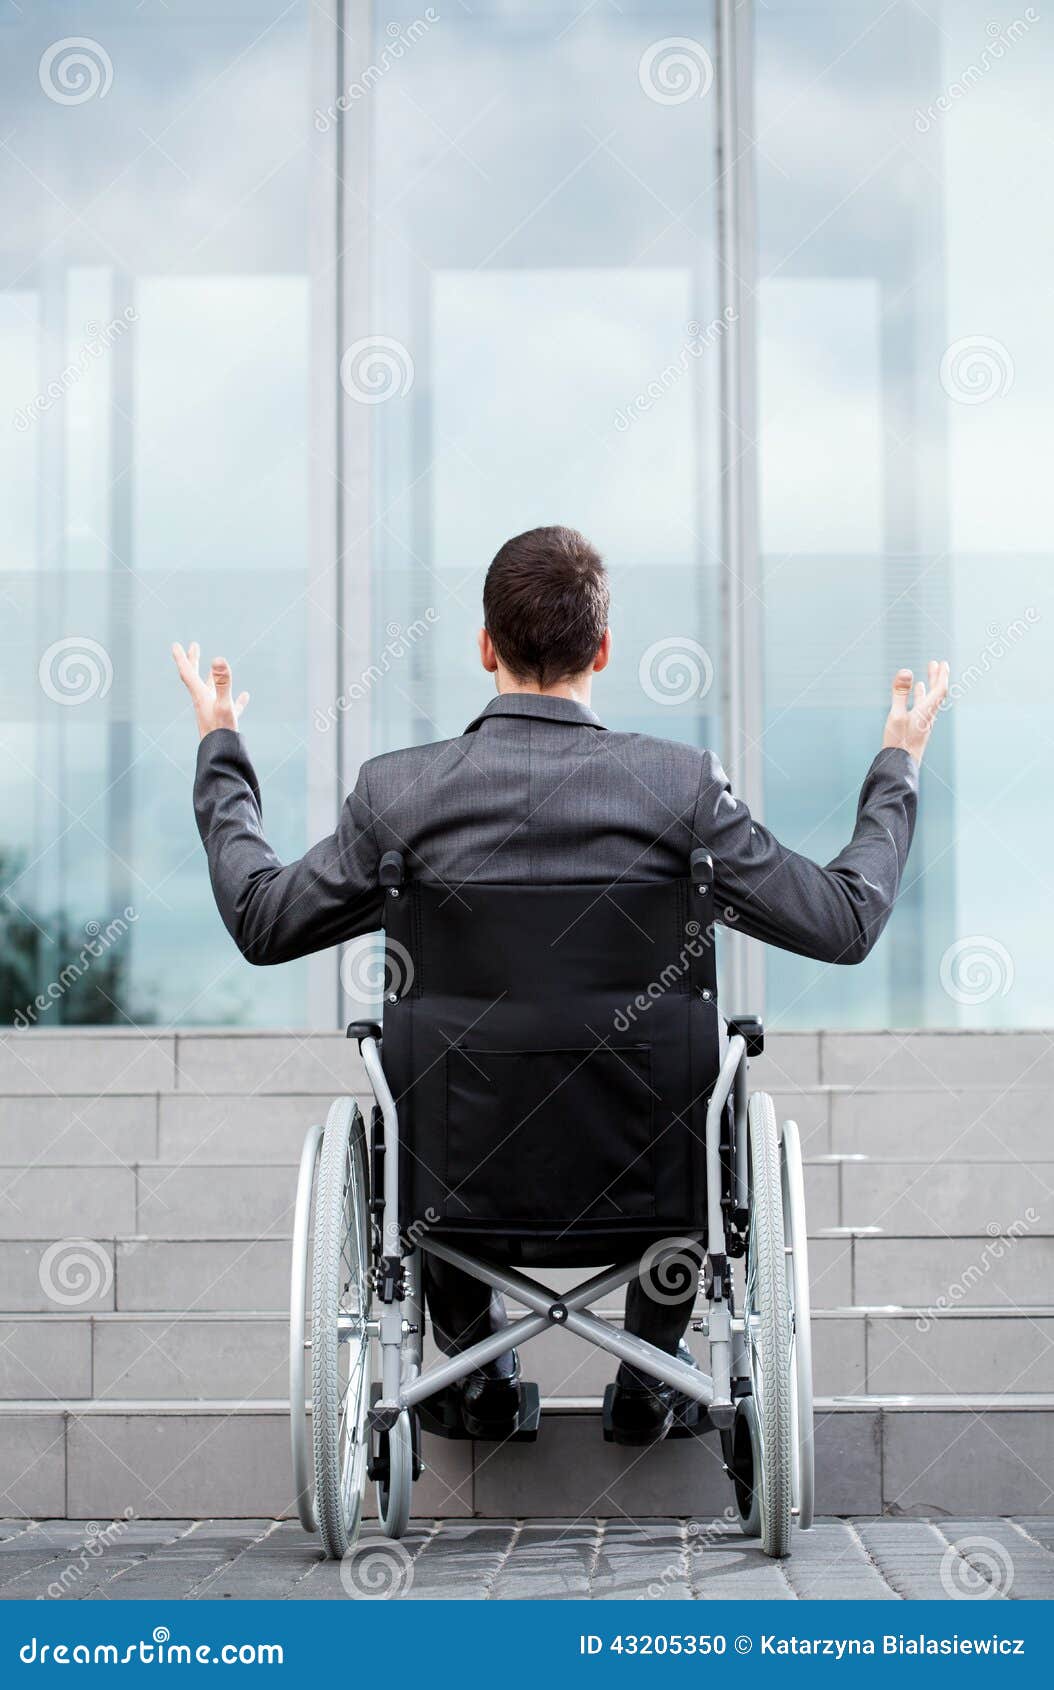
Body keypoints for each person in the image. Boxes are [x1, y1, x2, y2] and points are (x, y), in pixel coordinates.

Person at [174, 525, 948, 1444]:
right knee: (708, 1082)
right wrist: (896, 770)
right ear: (605, 650)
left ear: (486, 647)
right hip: (649, 1179)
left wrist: (222, 749)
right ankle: (652, 1376)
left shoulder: (398, 795)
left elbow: (264, 920)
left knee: (429, 1089)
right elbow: (843, 922)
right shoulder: (680, 787)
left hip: (457, 1188)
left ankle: (473, 1377)